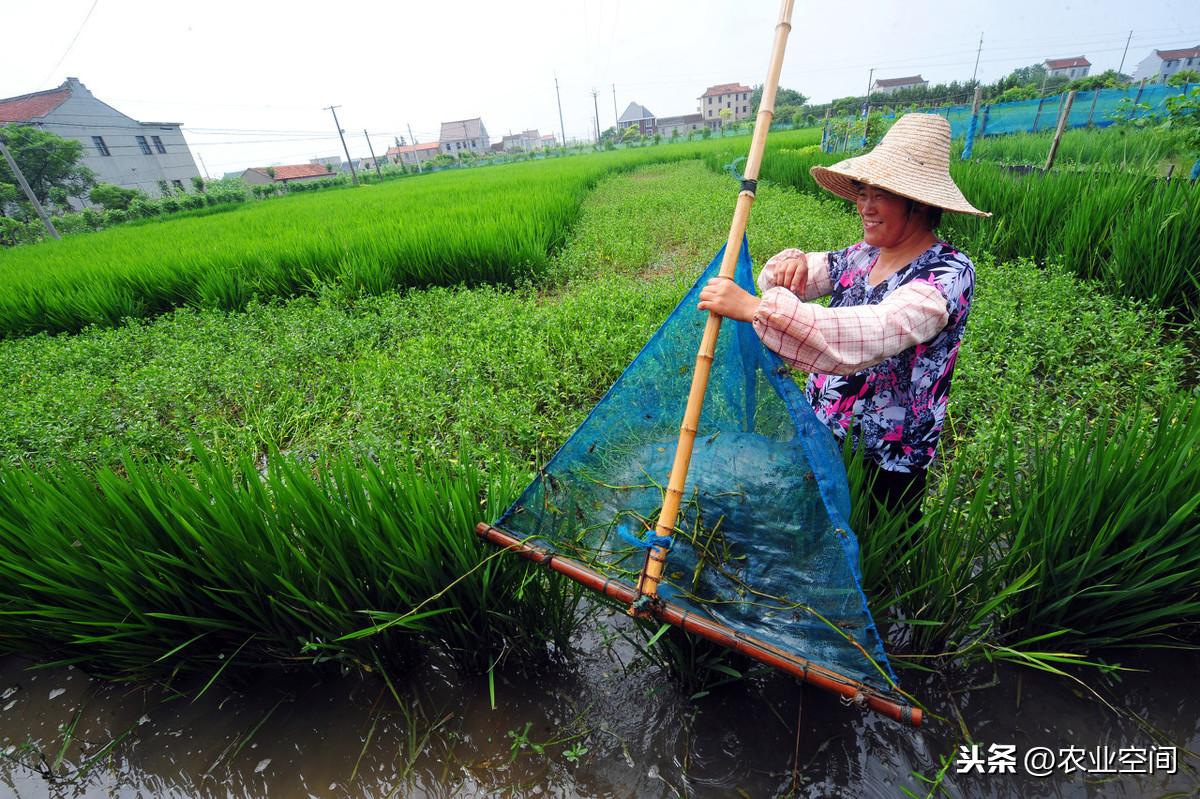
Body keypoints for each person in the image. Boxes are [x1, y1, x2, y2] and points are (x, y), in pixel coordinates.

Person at [698, 113, 990, 528]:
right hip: (826, 430)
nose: (865, 207)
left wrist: (754, 309)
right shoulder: (861, 255)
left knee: (879, 549)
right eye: (863, 192)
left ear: (920, 203)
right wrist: (790, 264)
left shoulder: (947, 274)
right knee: (819, 533)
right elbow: (777, 276)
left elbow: (870, 334)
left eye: (881, 195)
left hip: (889, 458)